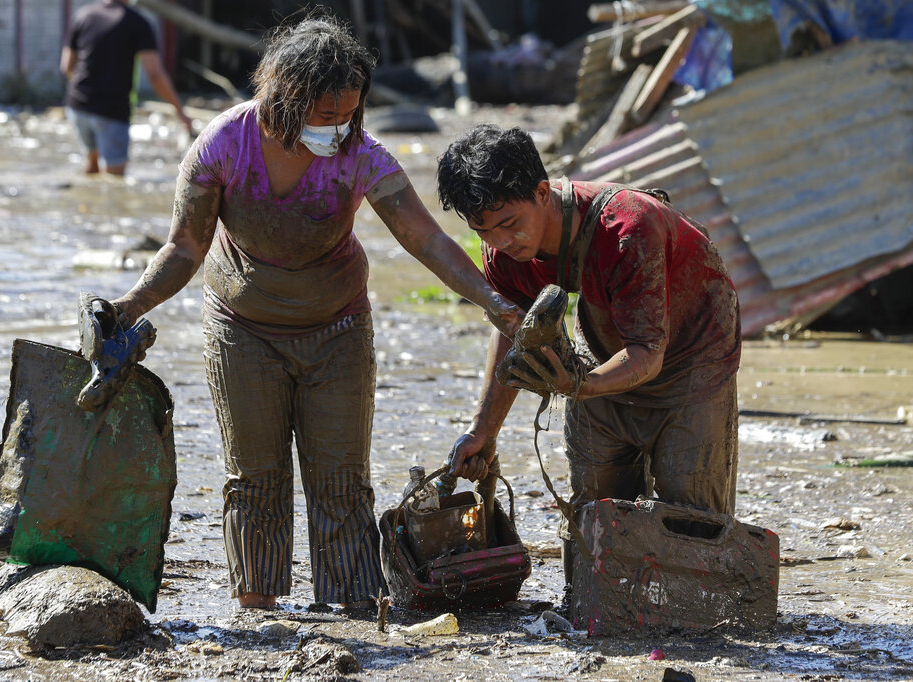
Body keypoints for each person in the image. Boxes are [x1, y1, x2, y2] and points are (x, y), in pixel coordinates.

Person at [106, 16, 521, 610]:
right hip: (241, 328)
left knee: (341, 481)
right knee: (255, 478)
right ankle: (258, 612)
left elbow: (424, 239)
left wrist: (497, 305)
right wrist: (131, 305)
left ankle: (352, 608)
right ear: (282, 97)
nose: (336, 129)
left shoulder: (360, 155)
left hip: (338, 329)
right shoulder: (222, 146)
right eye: (323, 116)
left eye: (348, 115)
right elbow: (184, 247)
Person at [438, 124, 741, 585]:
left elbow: (648, 353)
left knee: (691, 525)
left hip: (692, 356)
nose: (499, 242)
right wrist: (484, 430)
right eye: (483, 230)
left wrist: (582, 386)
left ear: (543, 193)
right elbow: (513, 331)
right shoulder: (503, 252)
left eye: (508, 224)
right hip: (607, 349)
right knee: (595, 519)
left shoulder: (627, 227)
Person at [60, 0, 192, 176]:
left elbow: (67, 67)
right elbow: (155, 75)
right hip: (112, 110)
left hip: (77, 106)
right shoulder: (137, 22)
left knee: (91, 166)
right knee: (115, 178)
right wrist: (180, 111)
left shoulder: (83, 15)